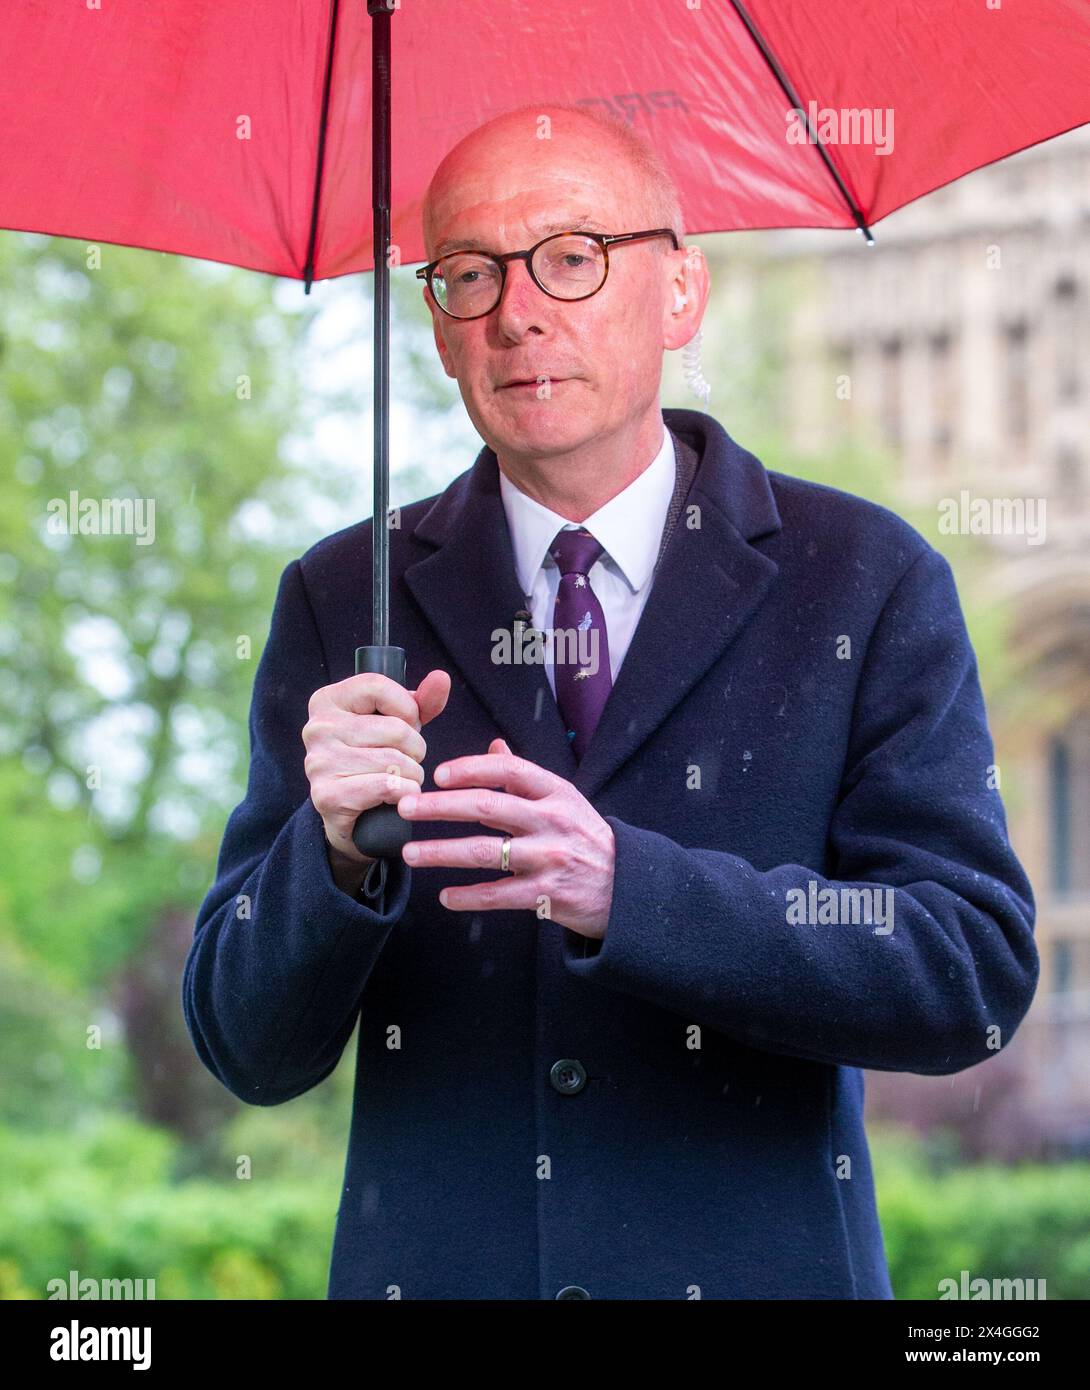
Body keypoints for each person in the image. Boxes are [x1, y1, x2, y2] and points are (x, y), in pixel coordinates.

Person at [182, 103, 1039, 1300]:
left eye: (571, 258)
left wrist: (629, 890)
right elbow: (247, 1046)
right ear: (437, 331)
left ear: (681, 291)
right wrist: (325, 860)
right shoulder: (342, 596)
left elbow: (969, 973)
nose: (517, 310)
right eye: (468, 273)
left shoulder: (866, 576)